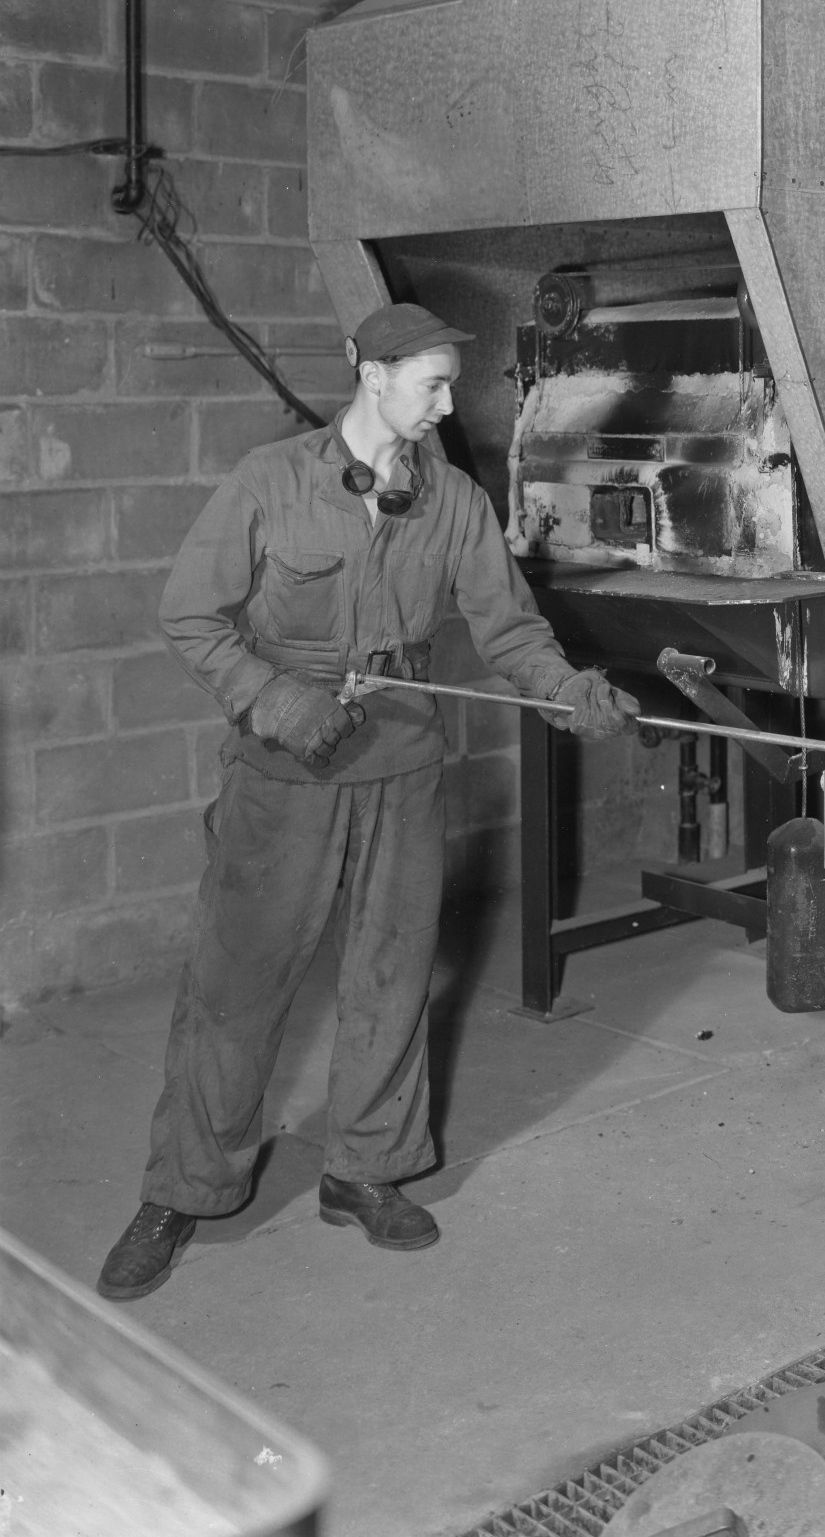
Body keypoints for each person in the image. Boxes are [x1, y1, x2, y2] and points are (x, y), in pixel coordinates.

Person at [96, 303, 639, 1301]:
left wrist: (568, 692)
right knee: (237, 982)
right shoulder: (271, 482)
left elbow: (510, 631)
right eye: (429, 384)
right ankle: (185, 1187)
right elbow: (189, 615)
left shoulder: (456, 504)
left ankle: (364, 1169)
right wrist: (276, 700)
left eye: (447, 385)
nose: (443, 405)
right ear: (368, 372)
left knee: (391, 977)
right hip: (285, 766)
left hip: (402, 760)